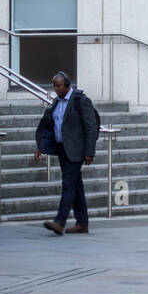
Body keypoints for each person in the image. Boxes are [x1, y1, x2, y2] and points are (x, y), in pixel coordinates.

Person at [34, 71, 99, 234]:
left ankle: (60, 221)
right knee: (76, 185)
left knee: (68, 184)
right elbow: (49, 125)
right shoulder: (56, 102)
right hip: (62, 149)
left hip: (76, 150)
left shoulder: (80, 101)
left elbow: (91, 127)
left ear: (67, 84)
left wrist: (90, 152)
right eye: (54, 86)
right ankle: (82, 223)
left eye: (58, 86)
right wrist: (40, 146)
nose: (55, 89)